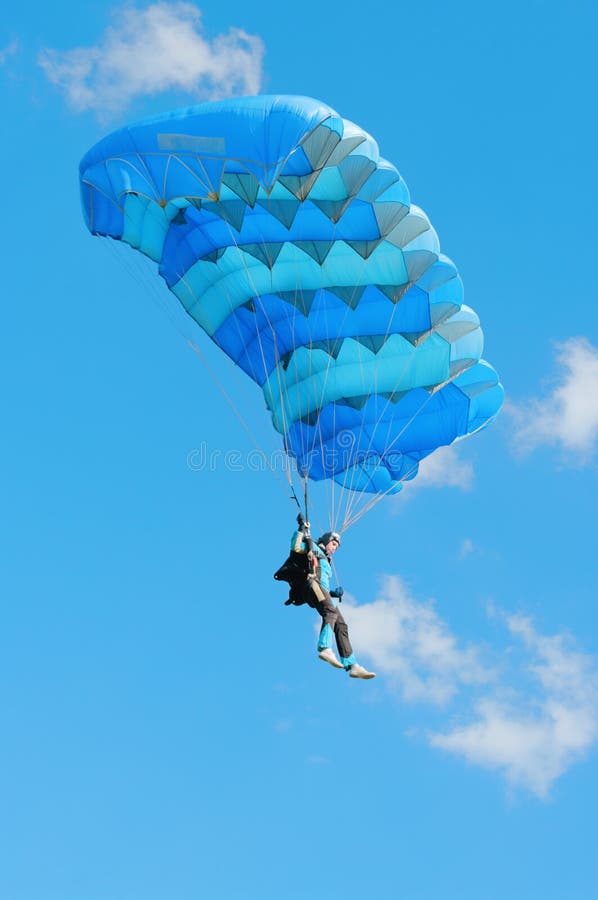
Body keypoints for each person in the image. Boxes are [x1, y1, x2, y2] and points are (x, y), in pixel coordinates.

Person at [284, 518, 376, 679]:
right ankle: (325, 647)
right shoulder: (314, 548)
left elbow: (324, 582)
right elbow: (296, 547)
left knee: (341, 625)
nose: (335, 549)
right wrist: (300, 529)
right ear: (326, 541)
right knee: (330, 612)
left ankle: (352, 664)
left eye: (337, 547)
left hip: (322, 590)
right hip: (311, 585)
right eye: (334, 544)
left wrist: (333, 593)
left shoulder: (326, 560)